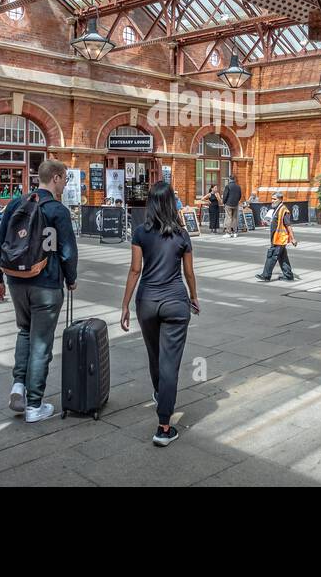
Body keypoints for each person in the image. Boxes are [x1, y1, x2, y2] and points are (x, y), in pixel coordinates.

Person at [0, 159, 78, 423]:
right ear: (57, 178)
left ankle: (18, 385)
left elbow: (0, 241)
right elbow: (67, 251)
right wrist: (71, 278)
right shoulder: (57, 210)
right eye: (64, 180)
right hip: (47, 283)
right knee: (42, 343)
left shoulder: (17, 204)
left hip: (16, 280)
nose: (64, 184)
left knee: (25, 332)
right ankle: (34, 405)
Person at [120, 181, 200, 447]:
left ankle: (159, 393)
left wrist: (124, 305)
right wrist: (194, 297)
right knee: (170, 363)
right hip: (176, 302)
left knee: (155, 356)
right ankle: (164, 426)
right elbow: (189, 273)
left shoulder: (140, 233)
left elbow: (135, 270)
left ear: (150, 204)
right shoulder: (182, 235)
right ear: (171, 203)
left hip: (147, 303)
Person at [255, 191, 297, 281]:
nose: (272, 201)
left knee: (272, 255)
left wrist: (293, 238)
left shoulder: (283, 210)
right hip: (277, 237)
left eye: (274, 199)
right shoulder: (277, 209)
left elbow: (288, 225)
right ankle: (288, 275)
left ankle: (266, 275)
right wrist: (266, 222)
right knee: (282, 257)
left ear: (280, 199)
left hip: (279, 238)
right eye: (272, 199)